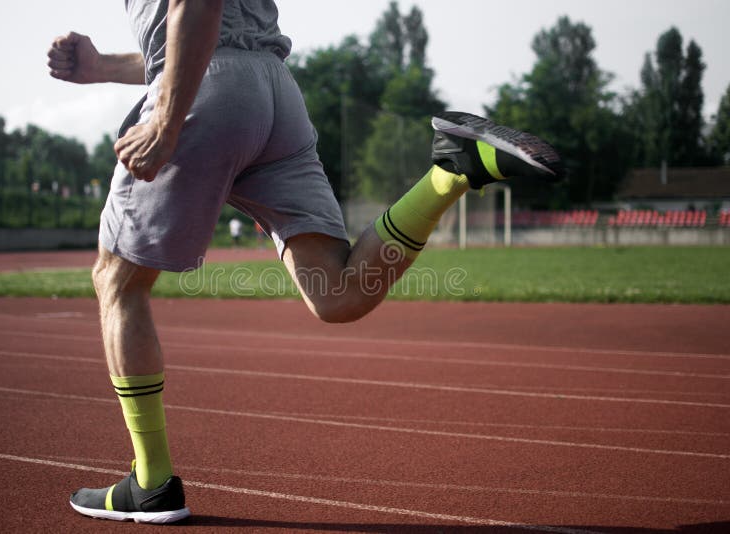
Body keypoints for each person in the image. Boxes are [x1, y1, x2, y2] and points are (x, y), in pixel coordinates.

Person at [47, 0, 564, 524]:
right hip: (274, 92)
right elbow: (194, 38)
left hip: (205, 96)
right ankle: (453, 169)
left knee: (118, 282)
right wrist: (104, 69)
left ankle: (151, 482)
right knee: (338, 294)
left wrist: (164, 118)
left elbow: (196, 9)